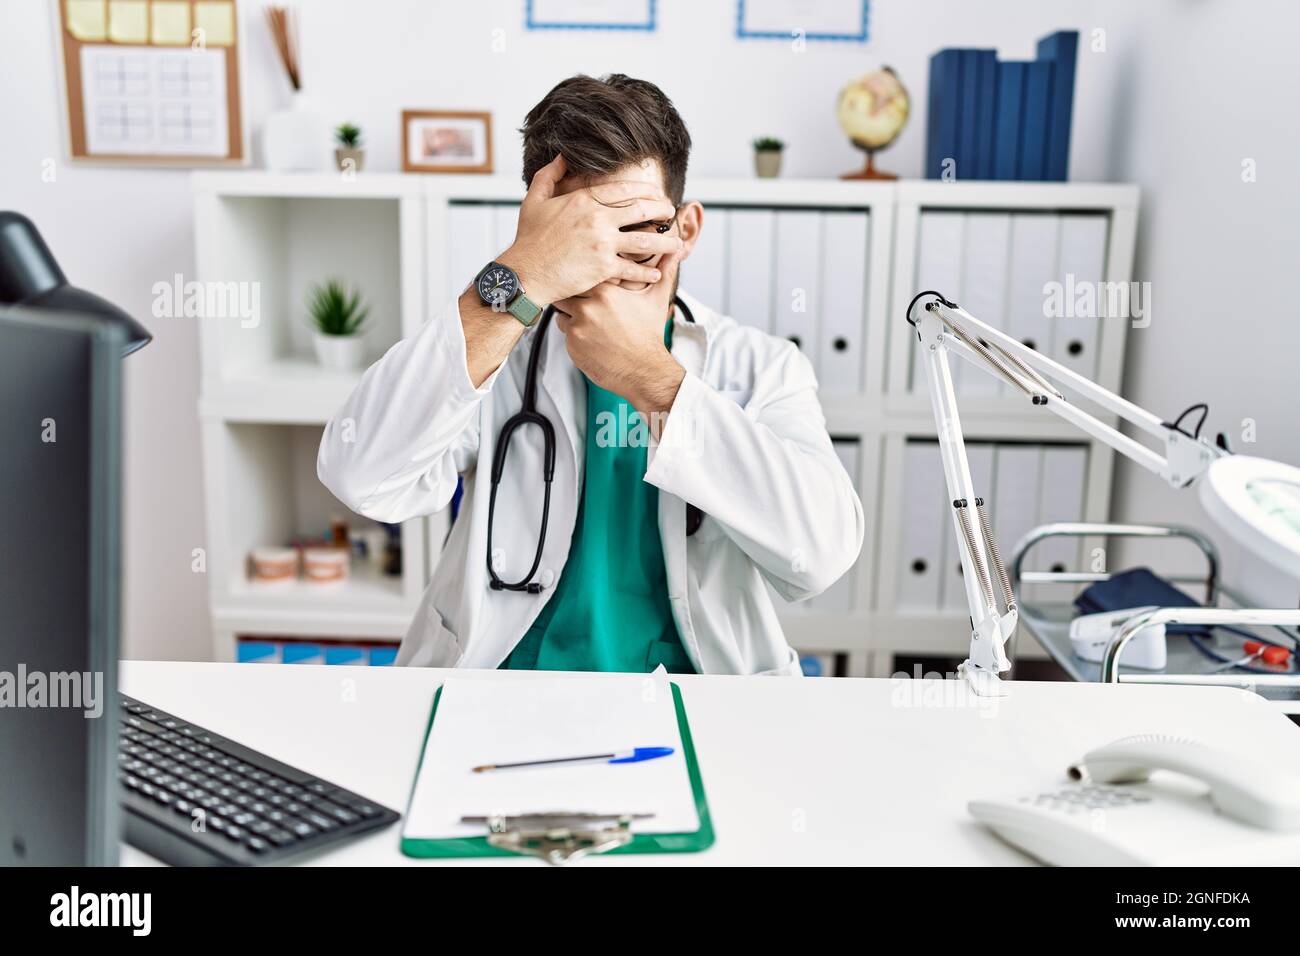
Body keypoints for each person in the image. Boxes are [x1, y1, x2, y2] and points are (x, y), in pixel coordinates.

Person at [317, 74, 864, 675]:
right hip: (502, 688)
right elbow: (361, 475)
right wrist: (518, 273)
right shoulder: (499, 350)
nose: (607, 268)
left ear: (685, 230)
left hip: (699, 705)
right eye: (581, 239)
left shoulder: (759, 366)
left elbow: (819, 556)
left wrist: (653, 378)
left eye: (634, 234)